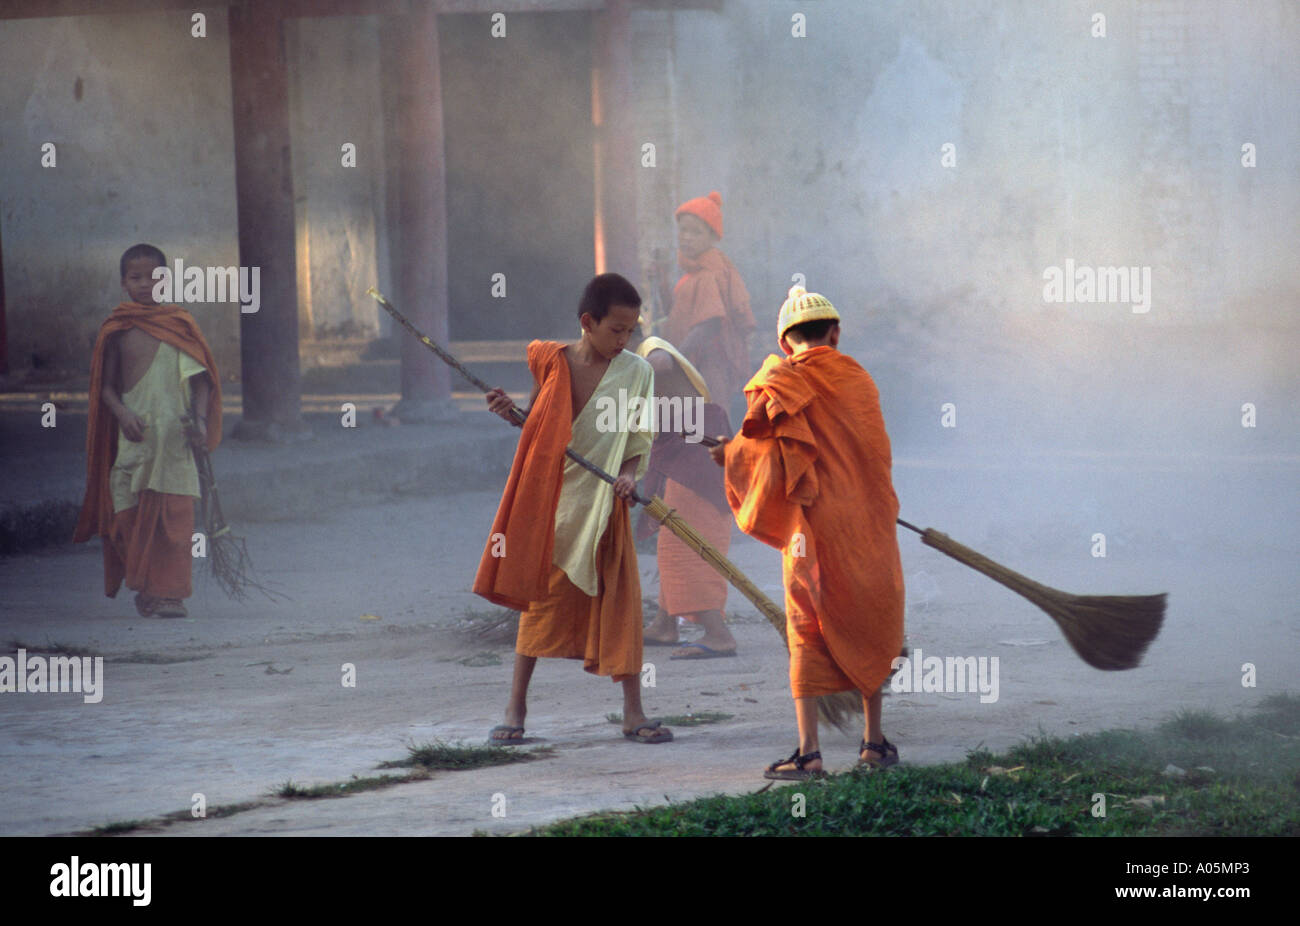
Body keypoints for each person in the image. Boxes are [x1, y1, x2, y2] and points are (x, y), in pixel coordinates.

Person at [708, 286, 904, 778]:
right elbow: (872, 452)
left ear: (785, 339)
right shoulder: (860, 379)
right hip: (867, 524)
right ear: (834, 333)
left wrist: (728, 456)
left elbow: (771, 456)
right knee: (870, 618)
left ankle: (809, 752)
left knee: (806, 625)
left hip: (810, 529)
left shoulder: (779, 382)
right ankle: (873, 743)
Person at [474, 273, 672, 745]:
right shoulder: (553, 363)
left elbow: (638, 435)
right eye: (616, 330)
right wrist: (512, 414)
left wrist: (628, 475)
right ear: (588, 322)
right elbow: (540, 428)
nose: (624, 341)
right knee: (540, 605)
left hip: (607, 505)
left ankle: (633, 712)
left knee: (620, 606)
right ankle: (515, 707)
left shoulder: (637, 373)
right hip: (558, 505)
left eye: (631, 331)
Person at [74, 244, 222, 618]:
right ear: (124, 283)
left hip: (174, 441)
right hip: (135, 440)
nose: (145, 284)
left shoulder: (180, 325)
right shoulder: (116, 330)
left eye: (154, 276)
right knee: (127, 519)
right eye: (135, 277)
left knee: (174, 522)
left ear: (166, 280)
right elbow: (105, 388)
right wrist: (122, 413)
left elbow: (202, 382)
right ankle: (147, 586)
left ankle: (169, 595)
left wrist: (200, 421)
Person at [634, 336, 737, 658]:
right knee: (673, 545)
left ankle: (718, 634)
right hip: (682, 453)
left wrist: (625, 372)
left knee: (686, 547)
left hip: (695, 457)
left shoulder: (651, 347)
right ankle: (665, 626)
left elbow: (661, 363)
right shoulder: (639, 356)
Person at [659, 191, 755, 422]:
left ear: (712, 237)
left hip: (709, 366)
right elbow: (675, 314)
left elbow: (709, 323)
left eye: (696, 232)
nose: (686, 238)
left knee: (709, 426)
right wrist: (662, 279)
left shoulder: (709, 273)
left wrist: (676, 358)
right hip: (694, 365)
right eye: (683, 230)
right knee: (693, 429)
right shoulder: (691, 275)